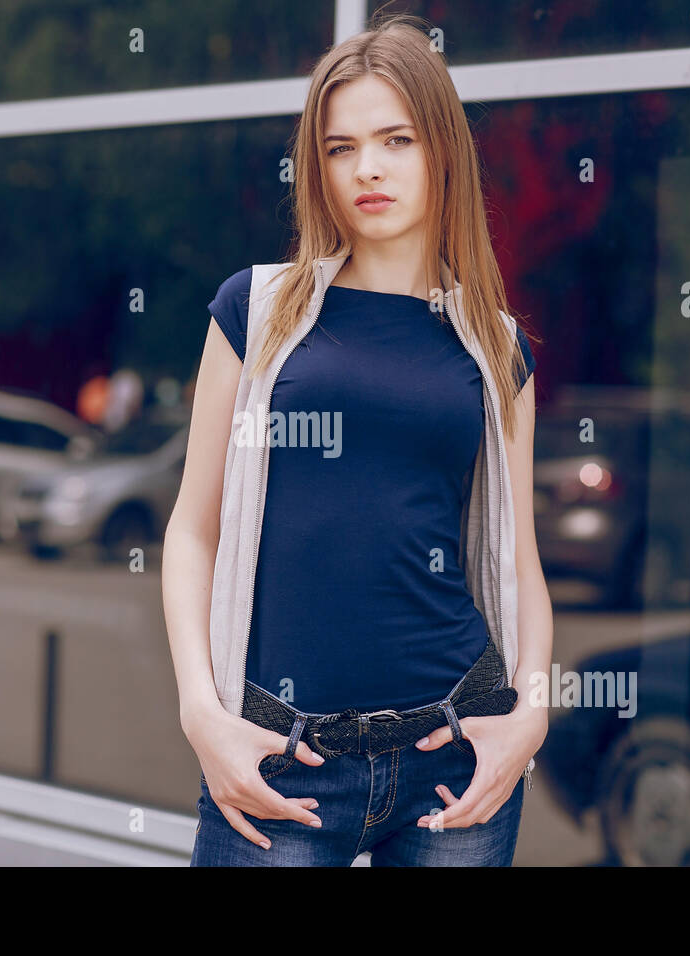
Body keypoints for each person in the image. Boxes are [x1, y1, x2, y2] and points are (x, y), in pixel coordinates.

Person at [161, 13, 553, 866]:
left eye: (395, 140)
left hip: (455, 749)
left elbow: (521, 562)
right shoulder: (255, 313)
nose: (366, 168)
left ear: (440, 151)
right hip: (279, 757)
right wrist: (203, 714)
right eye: (340, 148)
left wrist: (531, 715)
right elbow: (194, 527)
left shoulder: (495, 346)